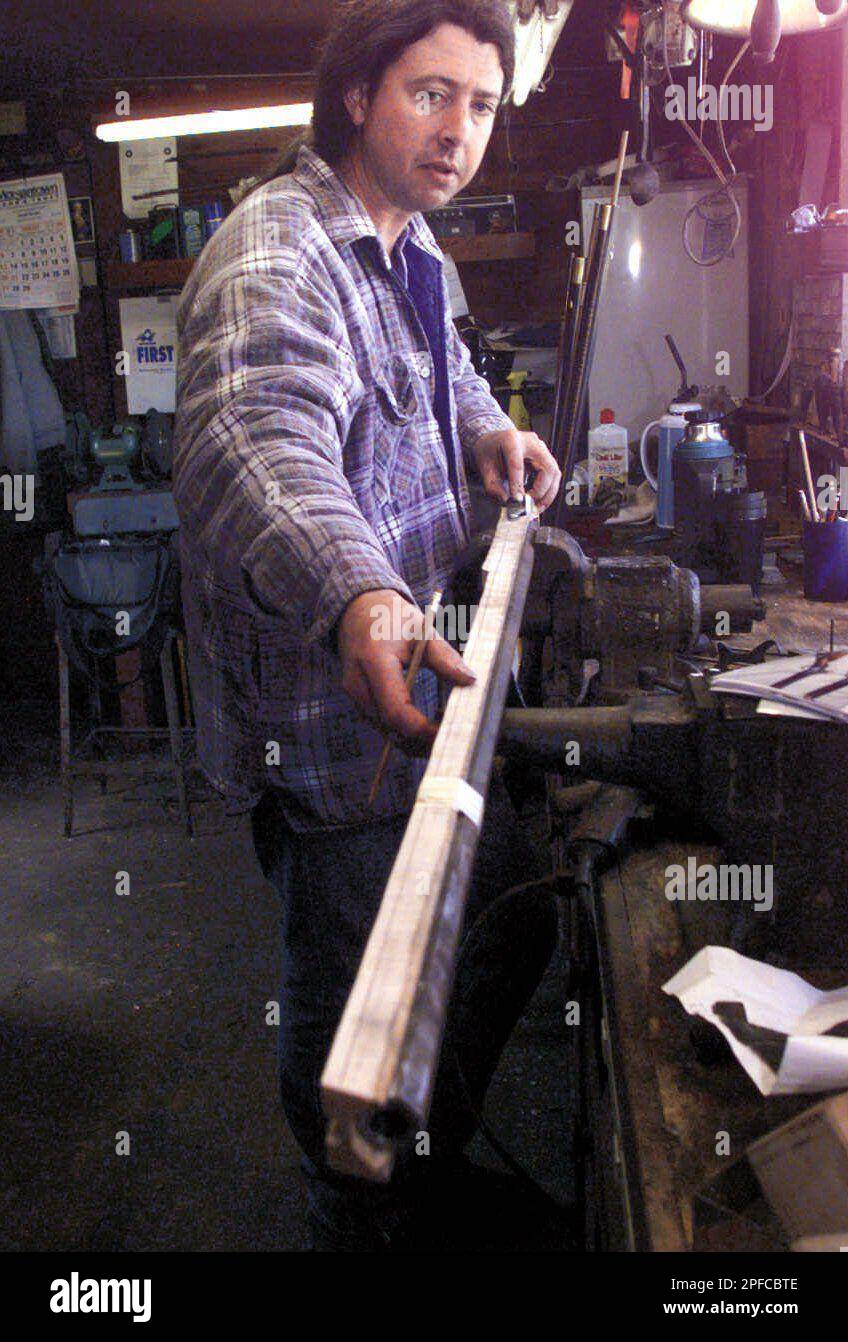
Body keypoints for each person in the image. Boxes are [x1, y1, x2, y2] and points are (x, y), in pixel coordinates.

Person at [173, 0, 562, 1250]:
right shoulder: (277, 254)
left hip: (429, 716)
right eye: (428, 94)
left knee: (509, 914)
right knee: (356, 1013)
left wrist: (489, 432)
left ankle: (424, 1175)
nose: (459, 133)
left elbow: (442, 376)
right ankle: (359, 1218)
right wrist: (361, 591)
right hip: (337, 745)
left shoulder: (413, 252)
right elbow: (252, 437)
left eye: (482, 105)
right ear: (356, 96)